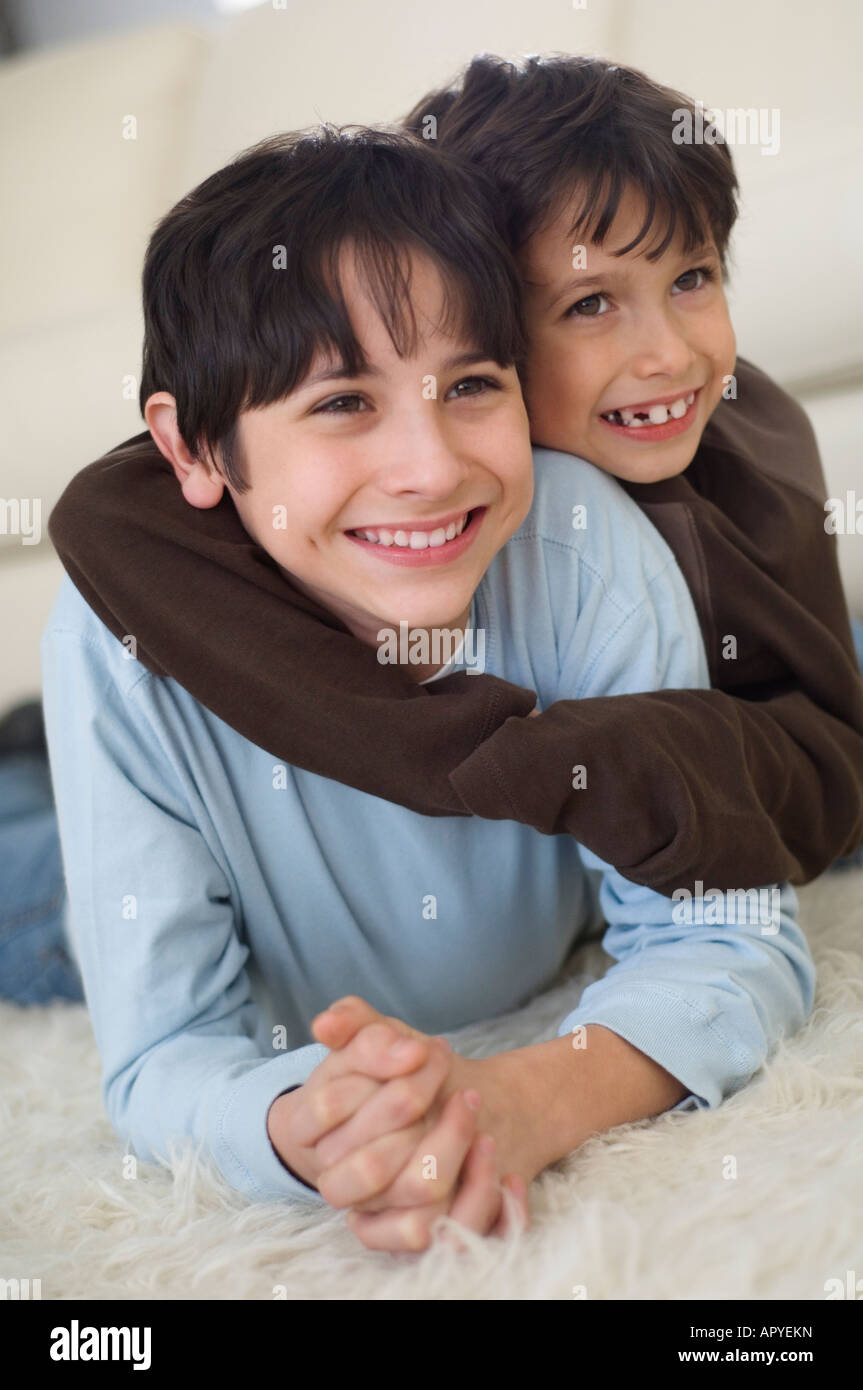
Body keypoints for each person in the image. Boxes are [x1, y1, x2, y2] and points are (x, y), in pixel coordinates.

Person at [29, 127, 815, 1255]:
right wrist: (303, 1121)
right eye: (343, 402)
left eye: (470, 387)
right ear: (193, 447)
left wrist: (532, 1095)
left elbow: (728, 929)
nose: (433, 467)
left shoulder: (583, 539)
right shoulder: (114, 649)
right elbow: (162, 1055)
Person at [43, 56, 863, 900]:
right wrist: (488, 760)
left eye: (691, 278)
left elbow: (829, 775)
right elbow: (113, 513)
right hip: (288, 837)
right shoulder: (343, 467)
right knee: (41, 873)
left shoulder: (749, 444)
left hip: (672, 773)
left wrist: (564, 761)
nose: (668, 356)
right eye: (588, 305)